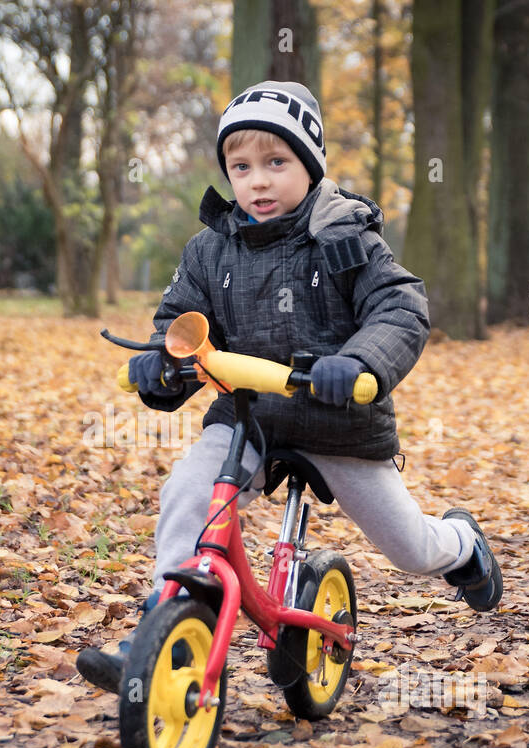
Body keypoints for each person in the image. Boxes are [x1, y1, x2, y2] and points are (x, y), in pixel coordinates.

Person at [78, 81, 502, 695]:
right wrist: (162, 363)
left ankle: (461, 545)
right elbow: (181, 323)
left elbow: (400, 308)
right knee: (188, 494)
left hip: (338, 422)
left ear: (311, 165)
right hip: (246, 418)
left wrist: (358, 363)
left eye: (277, 163)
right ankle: (166, 624)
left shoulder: (344, 234)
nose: (258, 182)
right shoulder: (210, 250)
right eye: (241, 167)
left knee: (409, 546)